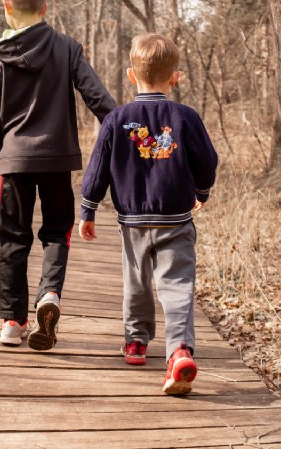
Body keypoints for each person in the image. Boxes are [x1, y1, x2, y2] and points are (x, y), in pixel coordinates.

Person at [0, 0, 117, 351]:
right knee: (56, 232)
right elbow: (95, 95)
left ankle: (12, 321)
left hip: (15, 162)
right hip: (57, 159)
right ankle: (49, 294)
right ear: (45, 7)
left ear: (6, 7)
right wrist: (126, 128)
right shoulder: (67, 47)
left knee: (13, 239)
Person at [78, 33, 218, 395]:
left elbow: (97, 168)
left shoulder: (117, 118)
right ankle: (179, 350)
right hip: (176, 217)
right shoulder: (186, 117)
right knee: (177, 284)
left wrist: (88, 209)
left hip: (133, 220)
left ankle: (136, 343)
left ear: (130, 75)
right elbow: (207, 161)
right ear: (175, 77)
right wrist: (201, 192)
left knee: (136, 281)